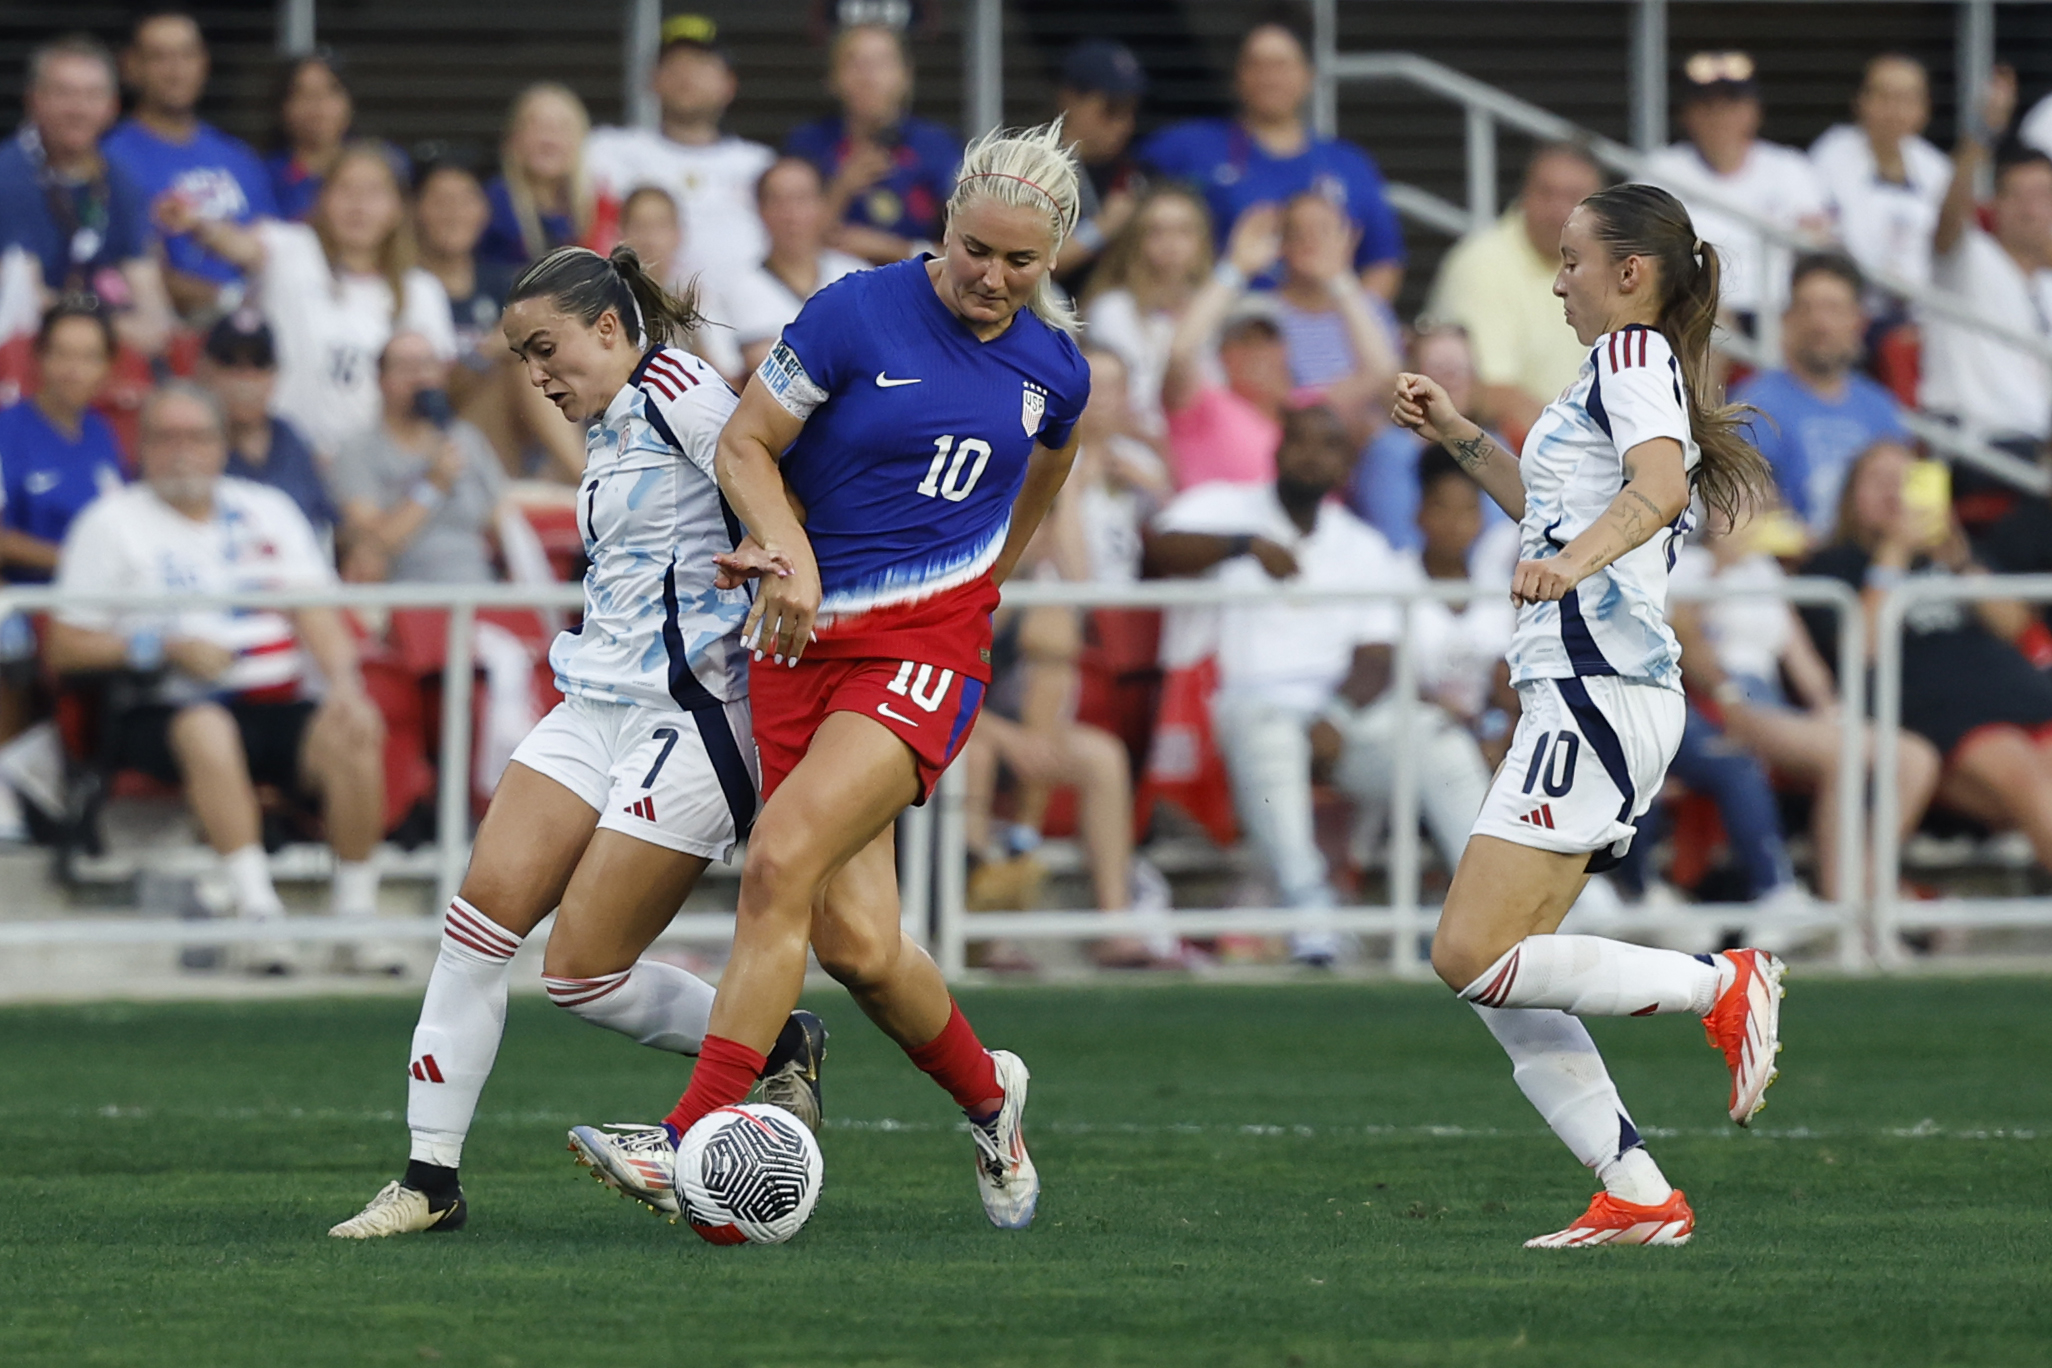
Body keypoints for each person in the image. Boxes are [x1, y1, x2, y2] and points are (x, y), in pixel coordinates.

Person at [566, 123, 1090, 1231]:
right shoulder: (854, 312)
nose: (992, 278)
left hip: (923, 656)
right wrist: (790, 558)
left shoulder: (1058, 372)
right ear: (942, 225)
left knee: (781, 860)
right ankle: (995, 1102)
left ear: (1056, 258)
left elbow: (1026, 508)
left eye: (1021, 262)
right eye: (974, 250)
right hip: (797, 645)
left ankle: (684, 1136)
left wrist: (959, 603)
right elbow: (746, 446)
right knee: (858, 946)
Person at [327, 243, 827, 1239]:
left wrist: (779, 562)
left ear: (611, 329)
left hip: (688, 717)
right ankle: (431, 1183)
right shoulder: (608, 420)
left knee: (580, 976)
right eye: (522, 358)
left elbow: (770, 471)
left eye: (545, 349)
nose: (537, 376)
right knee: (473, 933)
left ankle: (775, 1039)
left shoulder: (681, 388)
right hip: (590, 701)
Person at [1392, 182, 1786, 1247]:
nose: (1557, 279)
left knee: (1469, 951)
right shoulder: (1619, 370)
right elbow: (1553, 505)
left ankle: (1723, 982)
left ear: (1629, 275)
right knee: (1502, 970)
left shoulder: (1629, 354)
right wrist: (1462, 434)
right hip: (1592, 693)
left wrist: (1567, 567)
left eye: (1570, 261)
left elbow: (1653, 491)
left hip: (1595, 693)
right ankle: (1636, 1191)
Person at [43, 383, 387, 965]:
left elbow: (317, 615)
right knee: (207, 727)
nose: (182, 451)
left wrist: (346, 687)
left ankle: (355, 918)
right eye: (166, 437)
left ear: (221, 445)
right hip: (158, 704)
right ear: (142, 445)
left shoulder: (268, 509)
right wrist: (162, 647)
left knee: (356, 726)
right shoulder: (109, 523)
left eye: (197, 437)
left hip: (274, 699)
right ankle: (256, 914)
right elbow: (65, 647)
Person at [1148, 404, 1494, 963]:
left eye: (1329, 446)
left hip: (1342, 714)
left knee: (1439, 738)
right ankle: (1314, 923)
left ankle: (1492, 915)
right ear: (1278, 448)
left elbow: (1378, 655)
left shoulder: (1363, 545)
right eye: (1301, 441)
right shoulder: (1229, 507)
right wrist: (1244, 545)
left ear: (1346, 468)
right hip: (1249, 704)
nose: (1312, 455)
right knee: (1271, 735)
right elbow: (1158, 548)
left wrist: (1334, 714)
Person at [1802, 439, 2052, 879]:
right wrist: (1893, 554)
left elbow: (2015, 625)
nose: (1895, 492)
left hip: (2024, 697)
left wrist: (1959, 560)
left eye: (1907, 480)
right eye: (1878, 481)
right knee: (2026, 775)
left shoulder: (1956, 551)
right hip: (1947, 717)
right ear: (1851, 496)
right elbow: (1860, 648)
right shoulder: (1832, 564)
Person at [1669, 509, 1938, 909]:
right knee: (1842, 756)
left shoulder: (1764, 571)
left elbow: (1799, 655)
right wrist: (1719, 565)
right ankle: (1841, 904)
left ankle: (1868, 886)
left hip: (1768, 697)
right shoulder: (1684, 564)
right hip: (1719, 697)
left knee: (1916, 757)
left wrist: (1828, 704)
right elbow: (1684, 639)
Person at [156, 142, 456, 457]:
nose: (359, 205)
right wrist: (197, 222)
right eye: (345, 190)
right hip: (287, 457)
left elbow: (433, 390)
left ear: (399, 208)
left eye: (374, 192)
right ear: (322, 199)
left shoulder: (422, 291)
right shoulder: (290, 247)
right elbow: (237, 243)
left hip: (377, 467)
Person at [1137, 18, 1404, 300]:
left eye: (1281, 65)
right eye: (1256, 64)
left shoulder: (1349, 164)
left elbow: (1383, 262)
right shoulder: (1187, 146)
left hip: (1319, 329)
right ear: (1237, 75)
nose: (1268, 77)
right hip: (1214, 330)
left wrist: (1344, 334)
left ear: (1308, 75)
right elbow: (1119, 202)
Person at [0, 34, 172, 355]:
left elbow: (153, 311)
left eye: (92, 95)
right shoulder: (7, 174)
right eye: (64, 93)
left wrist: (105, 320)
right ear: (33, 100)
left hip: (103, 352)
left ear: (112, 107)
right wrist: (108, 319)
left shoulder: (121, 180)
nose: (78, 109)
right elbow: (22, 298)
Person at [102, 12, 276, 318]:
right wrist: (229, 299)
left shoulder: (239, 158)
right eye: (159, 57)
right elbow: (120, 269)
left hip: (253, 340)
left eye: (187, 55)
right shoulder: (110, 159)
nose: (176, 71)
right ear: (131, 66)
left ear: (203, 64)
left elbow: (275, 251)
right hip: (167, 335)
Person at [1427, 143, 1605, 440]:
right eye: (1546, 193)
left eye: (1574, 198)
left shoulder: (1612, 265)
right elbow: (1490, 395)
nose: (1559, 211)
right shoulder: (1482, 262)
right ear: (1523, 194)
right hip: (1503, 449)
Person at [582, 14, 774, 287]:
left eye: (700, 64)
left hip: (750, 321)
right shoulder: (606, 151)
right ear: (652, 79)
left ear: (729, 84)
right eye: (674, 64)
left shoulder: (761, 165)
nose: (686, 74)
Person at [1645, 51, 1828, 325]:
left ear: (1754, 112)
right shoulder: (1661, 169)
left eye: (1731, 104)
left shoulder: (1789, 167)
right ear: (1687, 114)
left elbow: (1820, 244)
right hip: (1700, 311)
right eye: (1706, 105)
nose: (1718, 116)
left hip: (1782, 312)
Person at [1734, 253, 1909, 536]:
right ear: (1787, 318)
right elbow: (1741, 513)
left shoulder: (1881, 407)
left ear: (1858, 321)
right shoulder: (1755, 406)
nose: (1820, 324)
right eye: (1807, 308)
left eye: (1834, 309)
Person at [1924, 70, 2052, 454]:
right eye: (2017, 195)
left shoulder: (2047, 287)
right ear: (1993, 203)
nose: (2030, 209)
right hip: (1976, 444)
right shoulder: (1968, 258)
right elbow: (1948, 219)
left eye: (2043, 196)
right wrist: (1981, 135)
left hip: (2037, 448)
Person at [331, 331, 506, 586]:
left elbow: (503, 520)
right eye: (407, 368)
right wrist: (431, 487)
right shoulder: (357, 451)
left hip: (480, 588)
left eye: (428, 365)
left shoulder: (465, 438)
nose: (421, 378)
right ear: (381, 379)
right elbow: (373, 544)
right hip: (407, 595)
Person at [784, 23, 962, 266]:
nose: (868, 77)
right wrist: (842, 188)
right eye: (855, 63)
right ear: (832, 78)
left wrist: (890, 249)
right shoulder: (809, 144)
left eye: (881, 63)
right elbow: (786, 243)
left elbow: (968, 251)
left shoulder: (936, 146)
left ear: (906, 76)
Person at [1158, 207, 1300, 488]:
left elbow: (1382, 374)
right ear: (1223, 355)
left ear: (1285, 351)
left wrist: (1338, 281)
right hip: (1215, 530)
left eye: (1267, 340)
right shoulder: (1202, 406)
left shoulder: (1305, 410)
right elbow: (1180, 352)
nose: (1257, 353)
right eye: (1244, 341)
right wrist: (1235, 267)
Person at [696, 159, 866, 379]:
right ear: (758, 209)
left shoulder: (858, 277)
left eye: (801, 199)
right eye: (777, 201)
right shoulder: (728, 288)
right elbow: (727, 376)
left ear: (823, 205)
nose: (791, 215)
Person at [1353, 325, 1510, 553]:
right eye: (1438, 367)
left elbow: (1506, 533)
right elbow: (1396, 539)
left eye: (1461, 367)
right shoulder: (1388, 450)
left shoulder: (1496, 442)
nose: (1451, 376)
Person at [1809, 54, 1950, 303]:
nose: (1894, 109)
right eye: (1884, 96)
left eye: (1907, 98)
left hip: (1925, 311)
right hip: (1854, 303)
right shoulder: (1831, 154)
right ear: (1860, 101)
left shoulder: (1937, 167)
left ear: (1925, 108)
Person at [0, 299, 124, 582]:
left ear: (109, 366)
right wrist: (78, 560)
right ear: (39, 357)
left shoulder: (102, 431)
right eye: (62, 354)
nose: (74, 371)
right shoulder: (6, 432)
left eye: (90, 357)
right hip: (29, 602)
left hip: (105, 598)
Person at [1264, 191, 1400, 441]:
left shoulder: (1371, 308)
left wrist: (1339, 281)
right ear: (1281, 243)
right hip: (1286, 438)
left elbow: (1387, 381)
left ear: (1350, 238)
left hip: (1360, 443)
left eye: (1323, 230)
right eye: (1297, 231)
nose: (1310, 240)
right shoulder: (1261, 312)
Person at [1081, 183, 1213, 440]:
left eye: (1184, 231)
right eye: (1156, 231)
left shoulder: (1212, 306)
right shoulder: (1112, 310)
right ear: (1136, 241)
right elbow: (1123, 405)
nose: (1170, 243)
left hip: (1204, 444)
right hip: (1129, 448)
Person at [196, 309, 333, 536]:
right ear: (205, 370)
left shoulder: (291, 439)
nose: (246, 378)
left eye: (259, 363)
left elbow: (323, 523)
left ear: (274, 374)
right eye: (230, 362)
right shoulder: (185, 440)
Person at [1050, 38, 1148, 290]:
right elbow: (1024, 267)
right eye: (1112, 109)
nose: (1124, 124)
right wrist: (1102, 227)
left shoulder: (1137, 172)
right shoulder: (1038, 168)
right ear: (1070, 99)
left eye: (1131, 110)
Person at [478, 84, 592, 268]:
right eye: (538, 126)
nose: (549, 140)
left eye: (562, 128)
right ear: (514, 137)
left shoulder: (598, 213)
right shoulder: (490, 206)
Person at [265, 51, 359, 223]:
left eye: (331, 91)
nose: (318, 104)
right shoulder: (264, 177)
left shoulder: (382, 167)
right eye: (303, 93)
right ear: (283, 107)